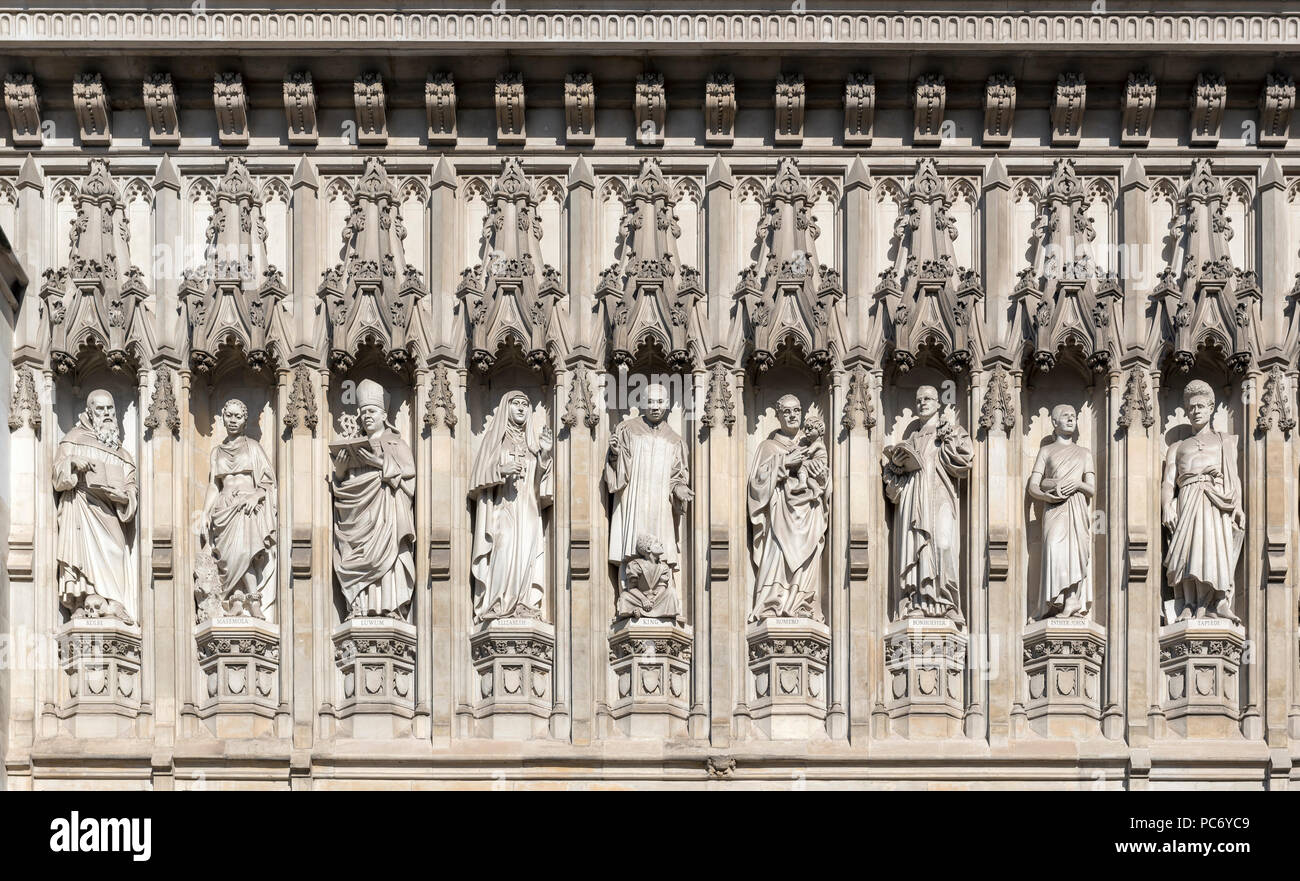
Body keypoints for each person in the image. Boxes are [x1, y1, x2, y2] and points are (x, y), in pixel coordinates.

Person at [883, 385, 974, 623]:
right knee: (915, 549)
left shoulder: (951, 430)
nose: (923, 403)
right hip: (913, 502)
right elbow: (894, 488)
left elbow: (964, 462)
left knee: (943, 544)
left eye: (928, 399)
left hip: (939, 497)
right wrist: (895, 466)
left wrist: (949, 439)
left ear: (938, 403)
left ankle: (946, 601)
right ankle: (916, 602)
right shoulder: (911, 439)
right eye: (919, 399)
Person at [331, 379, 416, 620]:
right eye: (363, 412)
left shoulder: (395, 443)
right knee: (354, 554)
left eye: (371, 411)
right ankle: (359, 606)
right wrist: (340, 468)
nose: (366, 416)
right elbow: (341, 482)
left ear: (383, 415)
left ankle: (389, 606)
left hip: (386, 516)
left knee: (387, 557)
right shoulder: (354, 444)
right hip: (358, 515)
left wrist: (378, 462)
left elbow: (409, 476)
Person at [1161, 380, 1243, 624]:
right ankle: (1188, 603)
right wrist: (1167, 505)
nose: (1195, 411)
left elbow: (1232, 477)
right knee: (1187, 550)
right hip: (1187, 496)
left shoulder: (1224, 441)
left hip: (1214, 500)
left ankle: (1217, 602)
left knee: (1212, 548)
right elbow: (1167, 482)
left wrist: (1237, 507)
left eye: (1200, 406)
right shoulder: (1177, 447)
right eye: (1191, 407)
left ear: (1211, 408)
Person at [54, 389, 139, 625]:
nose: (106, 414)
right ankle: (81, 603)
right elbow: (57, 475)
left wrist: (123, 498)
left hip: (109, 511)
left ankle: (115, 603)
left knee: (117, 551)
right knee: (81, 553)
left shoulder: (123, 453)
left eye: (110, 409)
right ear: (89, 413)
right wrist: (72, 462)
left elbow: (132, 487)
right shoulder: (73, 439)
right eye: (100, 409)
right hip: (81, 506)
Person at [469, 390, 553, 622]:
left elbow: (543, 490)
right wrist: (500, 471)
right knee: (503, 552)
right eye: (515, 404)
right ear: (506, 408)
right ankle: (497, 603)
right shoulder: (495, 441)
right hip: (503, 509)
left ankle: (524, 603)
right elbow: (476, 480)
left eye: (525, 405)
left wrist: (544, 456)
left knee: (527, 554)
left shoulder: (532, 445)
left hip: (528, 510)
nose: (520, 408)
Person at [605, 382, 692, 597]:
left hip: (661, 505)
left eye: (660, 402)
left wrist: (680, 489)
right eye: (650, 401)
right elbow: (617, 475)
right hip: (634, 501)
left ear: (668, 405)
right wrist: (615, 455)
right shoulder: (627, 430)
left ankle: (663, 596)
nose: (655, 406)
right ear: (642, 403)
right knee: (633, 545)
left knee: (660, 546)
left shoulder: (675, 441)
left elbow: (677, 476)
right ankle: (630, 595)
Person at [747, 394, 830, 622]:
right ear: (778, 415)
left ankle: (801, 603)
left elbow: (824, 482)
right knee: (778, 555)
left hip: (809, 513)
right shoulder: (768, 447)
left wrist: (823, 479)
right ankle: (773, 603)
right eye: (787, 412)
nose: (793, 416)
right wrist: (784, 463)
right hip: (780, 512)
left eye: (796, 411)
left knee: (807, 558)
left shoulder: (813, 445)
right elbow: (756, 484)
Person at [202, 398, 277, 620]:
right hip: (223, 508)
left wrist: (256, 495)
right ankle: (236, 600)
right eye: (229, 415)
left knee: (245, 552)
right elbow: (214, 485)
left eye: (238, 416)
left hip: (245, 507)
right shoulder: (216, 452)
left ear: (245, 420)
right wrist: (205, 513)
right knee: (226, 558)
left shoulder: (253, 447)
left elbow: (268, 482)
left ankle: (253, 600)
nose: (233, 420)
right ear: (223, 418)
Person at [1027, 404, 1095, 619]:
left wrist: (1076, 484)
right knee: (1053, 547)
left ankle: (1072, 601)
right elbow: (1033, 485)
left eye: (1074, 416)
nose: (1071, 419)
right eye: (1065, 416)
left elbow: (1091, 488)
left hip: (1076, 508)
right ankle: (1051, 602)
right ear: (1054, 422)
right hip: (1054, 508)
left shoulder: (1084, 453)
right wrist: (1047, 495)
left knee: (1075, 551)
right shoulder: (1046, 451)